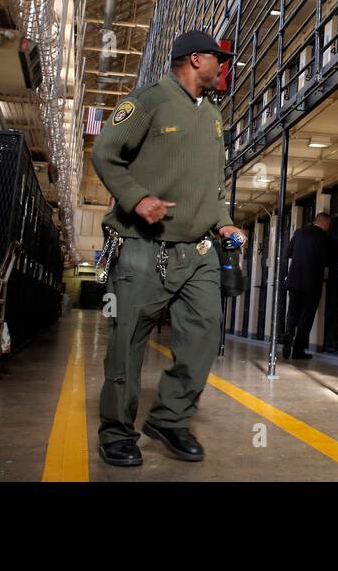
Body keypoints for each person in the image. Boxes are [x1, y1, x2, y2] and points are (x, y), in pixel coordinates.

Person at [90, 28, 246, 467]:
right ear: (196, 60)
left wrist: (226, 222)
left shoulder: (212, 115)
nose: (223, 67)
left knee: (203, 335)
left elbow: (215, 186)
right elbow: (105, 153)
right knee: (128, 340)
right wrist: (137, 198)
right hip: (143, 245)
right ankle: (117, 430)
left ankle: (171, 419)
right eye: (218, 59)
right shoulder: (148, 101)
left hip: (198, 252)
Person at [281, 212, 331, 360]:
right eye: (328, 224)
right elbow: (326, 260)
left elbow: (288, 253)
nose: (328, 227)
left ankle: (288, 335)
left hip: (294, 279)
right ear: (323, 223)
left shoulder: (299, 233)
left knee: (292, 312)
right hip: (312, 282)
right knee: (306, 317)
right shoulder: (323, 237)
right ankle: (298, 350)